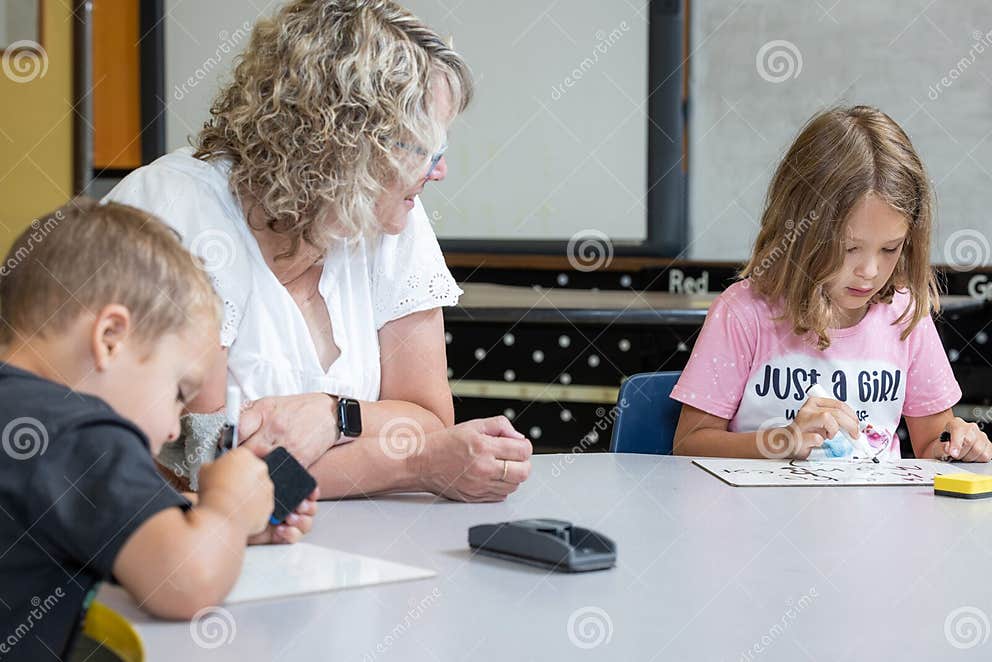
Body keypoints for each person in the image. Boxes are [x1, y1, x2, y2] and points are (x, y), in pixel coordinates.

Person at [104, 0, 532, 502]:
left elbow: (429, 417)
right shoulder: (176, 213)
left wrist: (333, 415)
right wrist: (412, 462)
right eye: (424, 149)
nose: (439, 171)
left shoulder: (392, 215)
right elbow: (199, 468)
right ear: (343, 143)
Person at [0, 199, 317, 660]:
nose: (174, 428)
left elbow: (85, 512)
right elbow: (185, 582)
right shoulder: (81, 429)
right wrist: (227, 508)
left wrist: (212, 525)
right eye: (178, 391)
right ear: (110, 338)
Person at [671, 106, 992, 462]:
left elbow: (933, 442)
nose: (869, 271)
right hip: (762, 516)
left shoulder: (905, 314)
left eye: (890, 248)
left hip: (881, 518)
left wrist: (958, 445)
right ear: (801, 229)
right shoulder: (744, 313)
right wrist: (783, 441)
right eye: (849, 247)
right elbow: (689, 444)